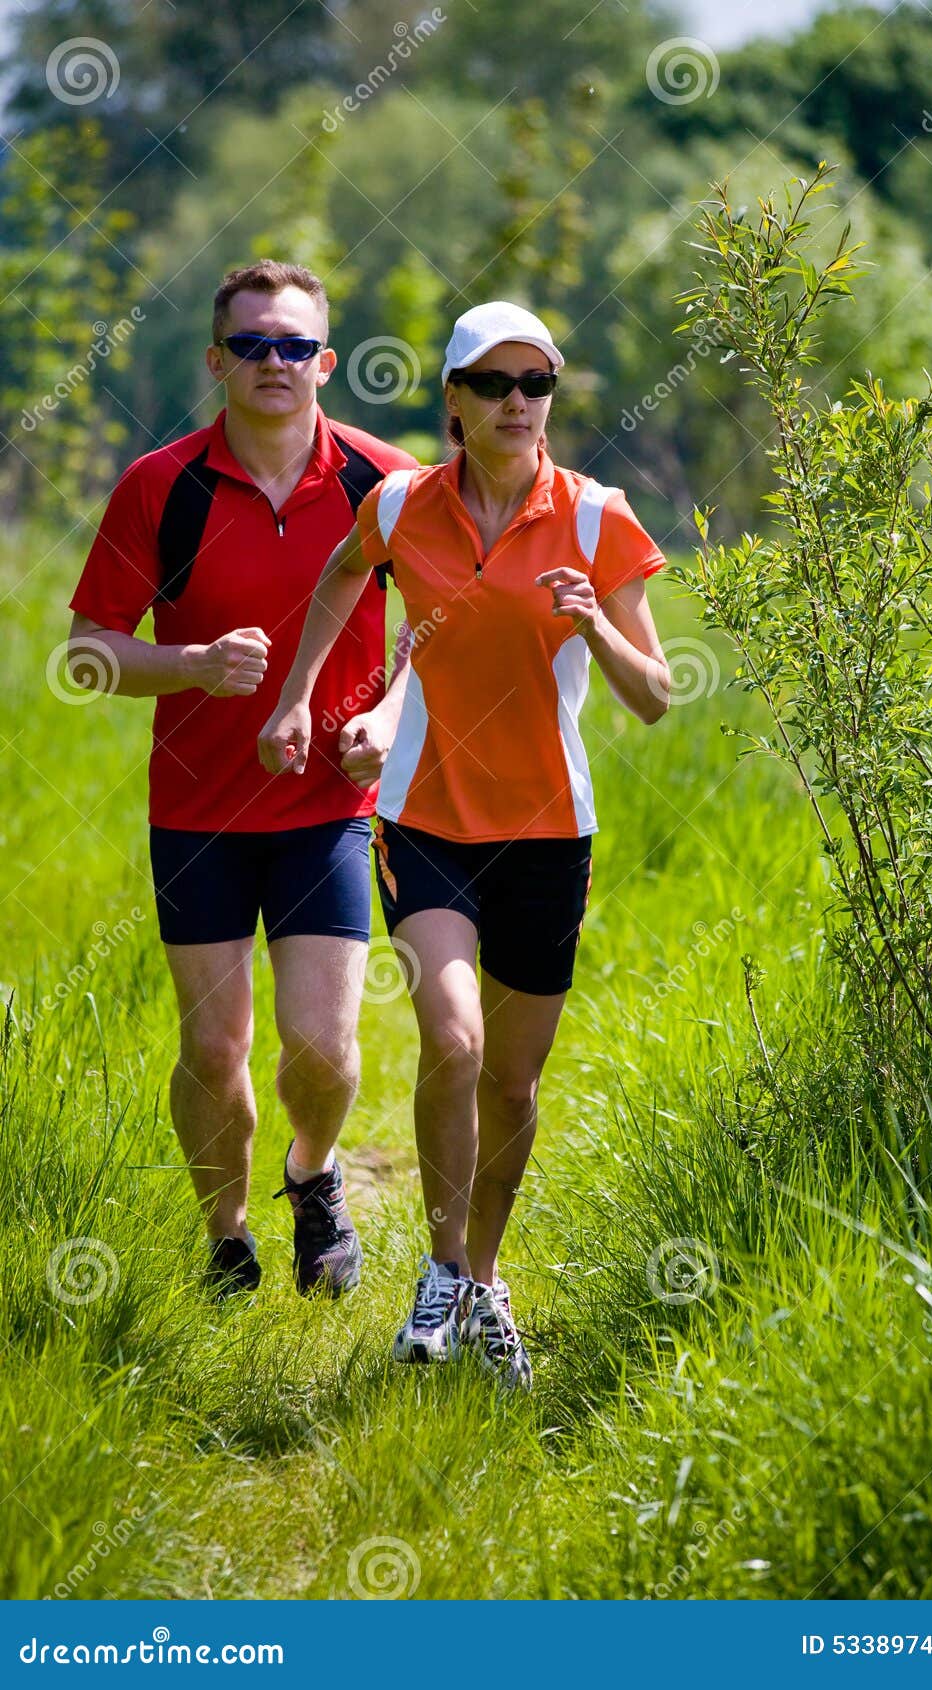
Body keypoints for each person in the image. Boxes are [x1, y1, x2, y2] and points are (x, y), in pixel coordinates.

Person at [259, 299, 670, 1387]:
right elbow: (344, 575)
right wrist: (304, 692)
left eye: (534, 384)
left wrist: (592, 625)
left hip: (548, 834)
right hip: (426, 821)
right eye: (492, 384)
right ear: (452, 400)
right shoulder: (398, 505)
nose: (517, 404)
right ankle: (438, 1271)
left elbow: (656, 697)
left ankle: (484, 1280)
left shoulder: (596, 518)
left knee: (516, 1089)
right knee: (454, 1040)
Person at [67, 259, 417, 1299]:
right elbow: (88, 652)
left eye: (295, 344)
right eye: (254, 345)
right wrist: (187, 665)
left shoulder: (381, 481)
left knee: (323, 1045)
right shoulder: (159, 486)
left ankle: (312, 1174)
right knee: (214, 1054)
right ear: (217, 360)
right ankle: (224, 1234)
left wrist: (389, 719)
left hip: (329, 808)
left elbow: (444, 624)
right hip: (198, 814)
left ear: (326, 360)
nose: (275, 362)